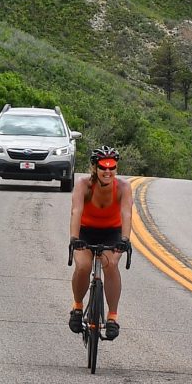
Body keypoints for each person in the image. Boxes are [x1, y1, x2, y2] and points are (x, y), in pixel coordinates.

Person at [68, 145, 133, 340]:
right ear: (94, 168)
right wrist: (74, 239)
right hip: (85, 231)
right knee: (83, 266)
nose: (107, 172)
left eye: (112, 167)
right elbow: (76, 211)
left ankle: (112, 317)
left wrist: (125, 240)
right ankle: (77, 307)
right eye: (103, 167)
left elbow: (127, 213)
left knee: (111, 264)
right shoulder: (83, 185)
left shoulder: (123, 187)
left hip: (112, 232)